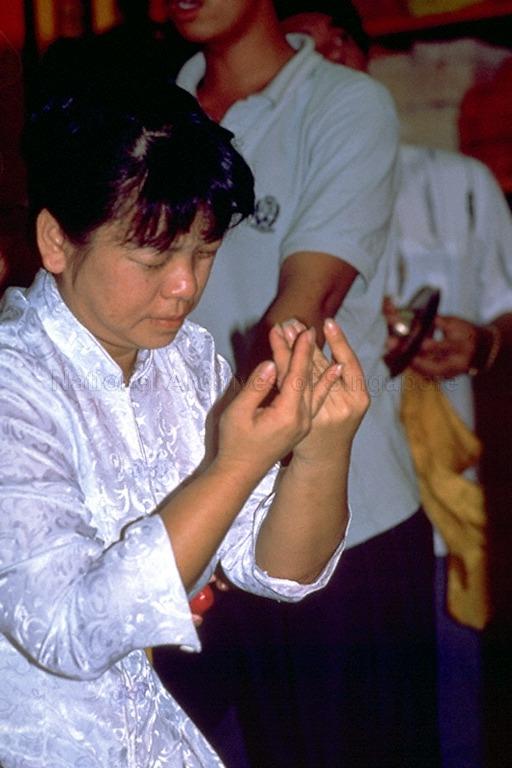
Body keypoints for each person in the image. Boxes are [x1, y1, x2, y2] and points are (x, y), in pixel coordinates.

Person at [0, 76, 369, 767]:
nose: (185, 286)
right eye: (152, 256)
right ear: (55, 240)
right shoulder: (13, 385)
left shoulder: (185, 359)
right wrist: (235, 464)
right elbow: (68, 631)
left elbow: (274, 568)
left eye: (203, 251)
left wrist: (321, 450)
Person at [157, 2, 440, 767]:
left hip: (342, 524)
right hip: (195, 525)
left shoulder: (345, 103)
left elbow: (302, 313)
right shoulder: (157, 111)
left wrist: (211, 496)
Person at [280, 3, 512, 768]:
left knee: (447, 710)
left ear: (358, 53)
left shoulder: (460, 182)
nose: (313, 68)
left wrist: (479, 342)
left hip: (437, 495)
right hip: (311, 517)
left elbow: (507, 310)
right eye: (294, 52)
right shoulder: (260, 195)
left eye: (327, 47)